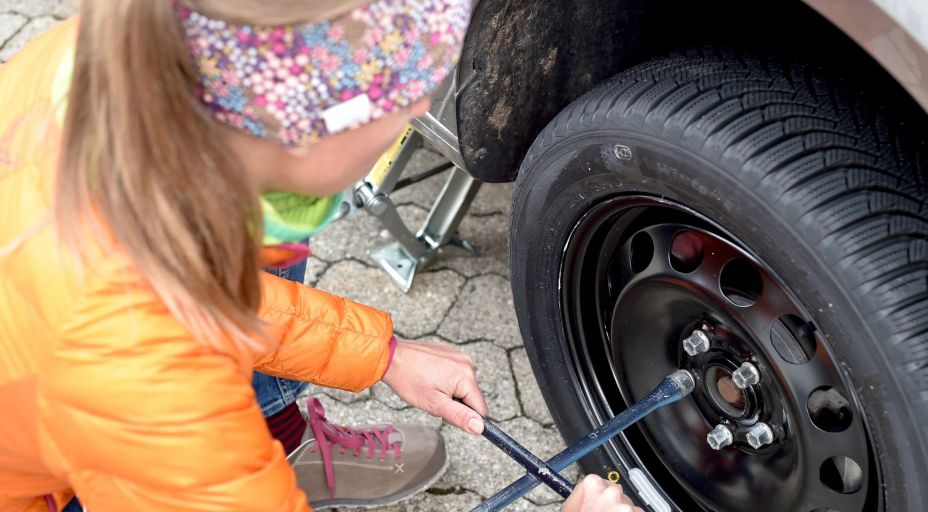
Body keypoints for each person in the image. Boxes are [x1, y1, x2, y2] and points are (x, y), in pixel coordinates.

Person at [0, 0, 642, 510]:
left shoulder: (113, 63)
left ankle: (274, 447)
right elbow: (152, 332)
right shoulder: (142, 380)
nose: (420, 107)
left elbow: (192, 296)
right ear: (309, 132)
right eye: (407, 98)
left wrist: (382, 354)